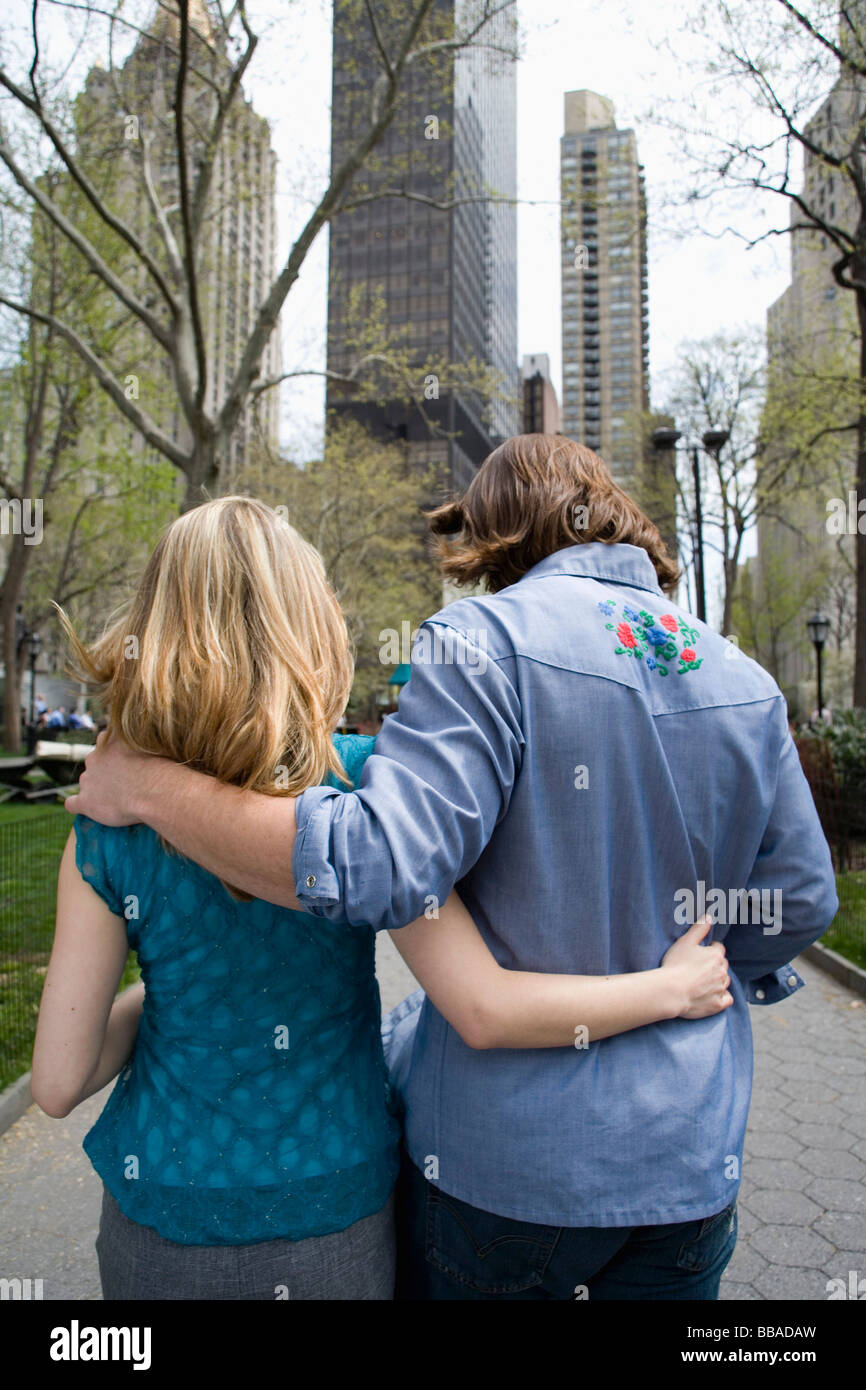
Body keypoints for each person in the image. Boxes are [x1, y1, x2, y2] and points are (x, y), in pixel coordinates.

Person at [67, 437, 838, 1300]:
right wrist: (700, 976)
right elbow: (802, 899)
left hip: (505, 1171)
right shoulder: (744, 676)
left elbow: (383, 860)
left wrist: (150, 787)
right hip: (687, 1162)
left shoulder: (480, 643)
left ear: (497, 538)